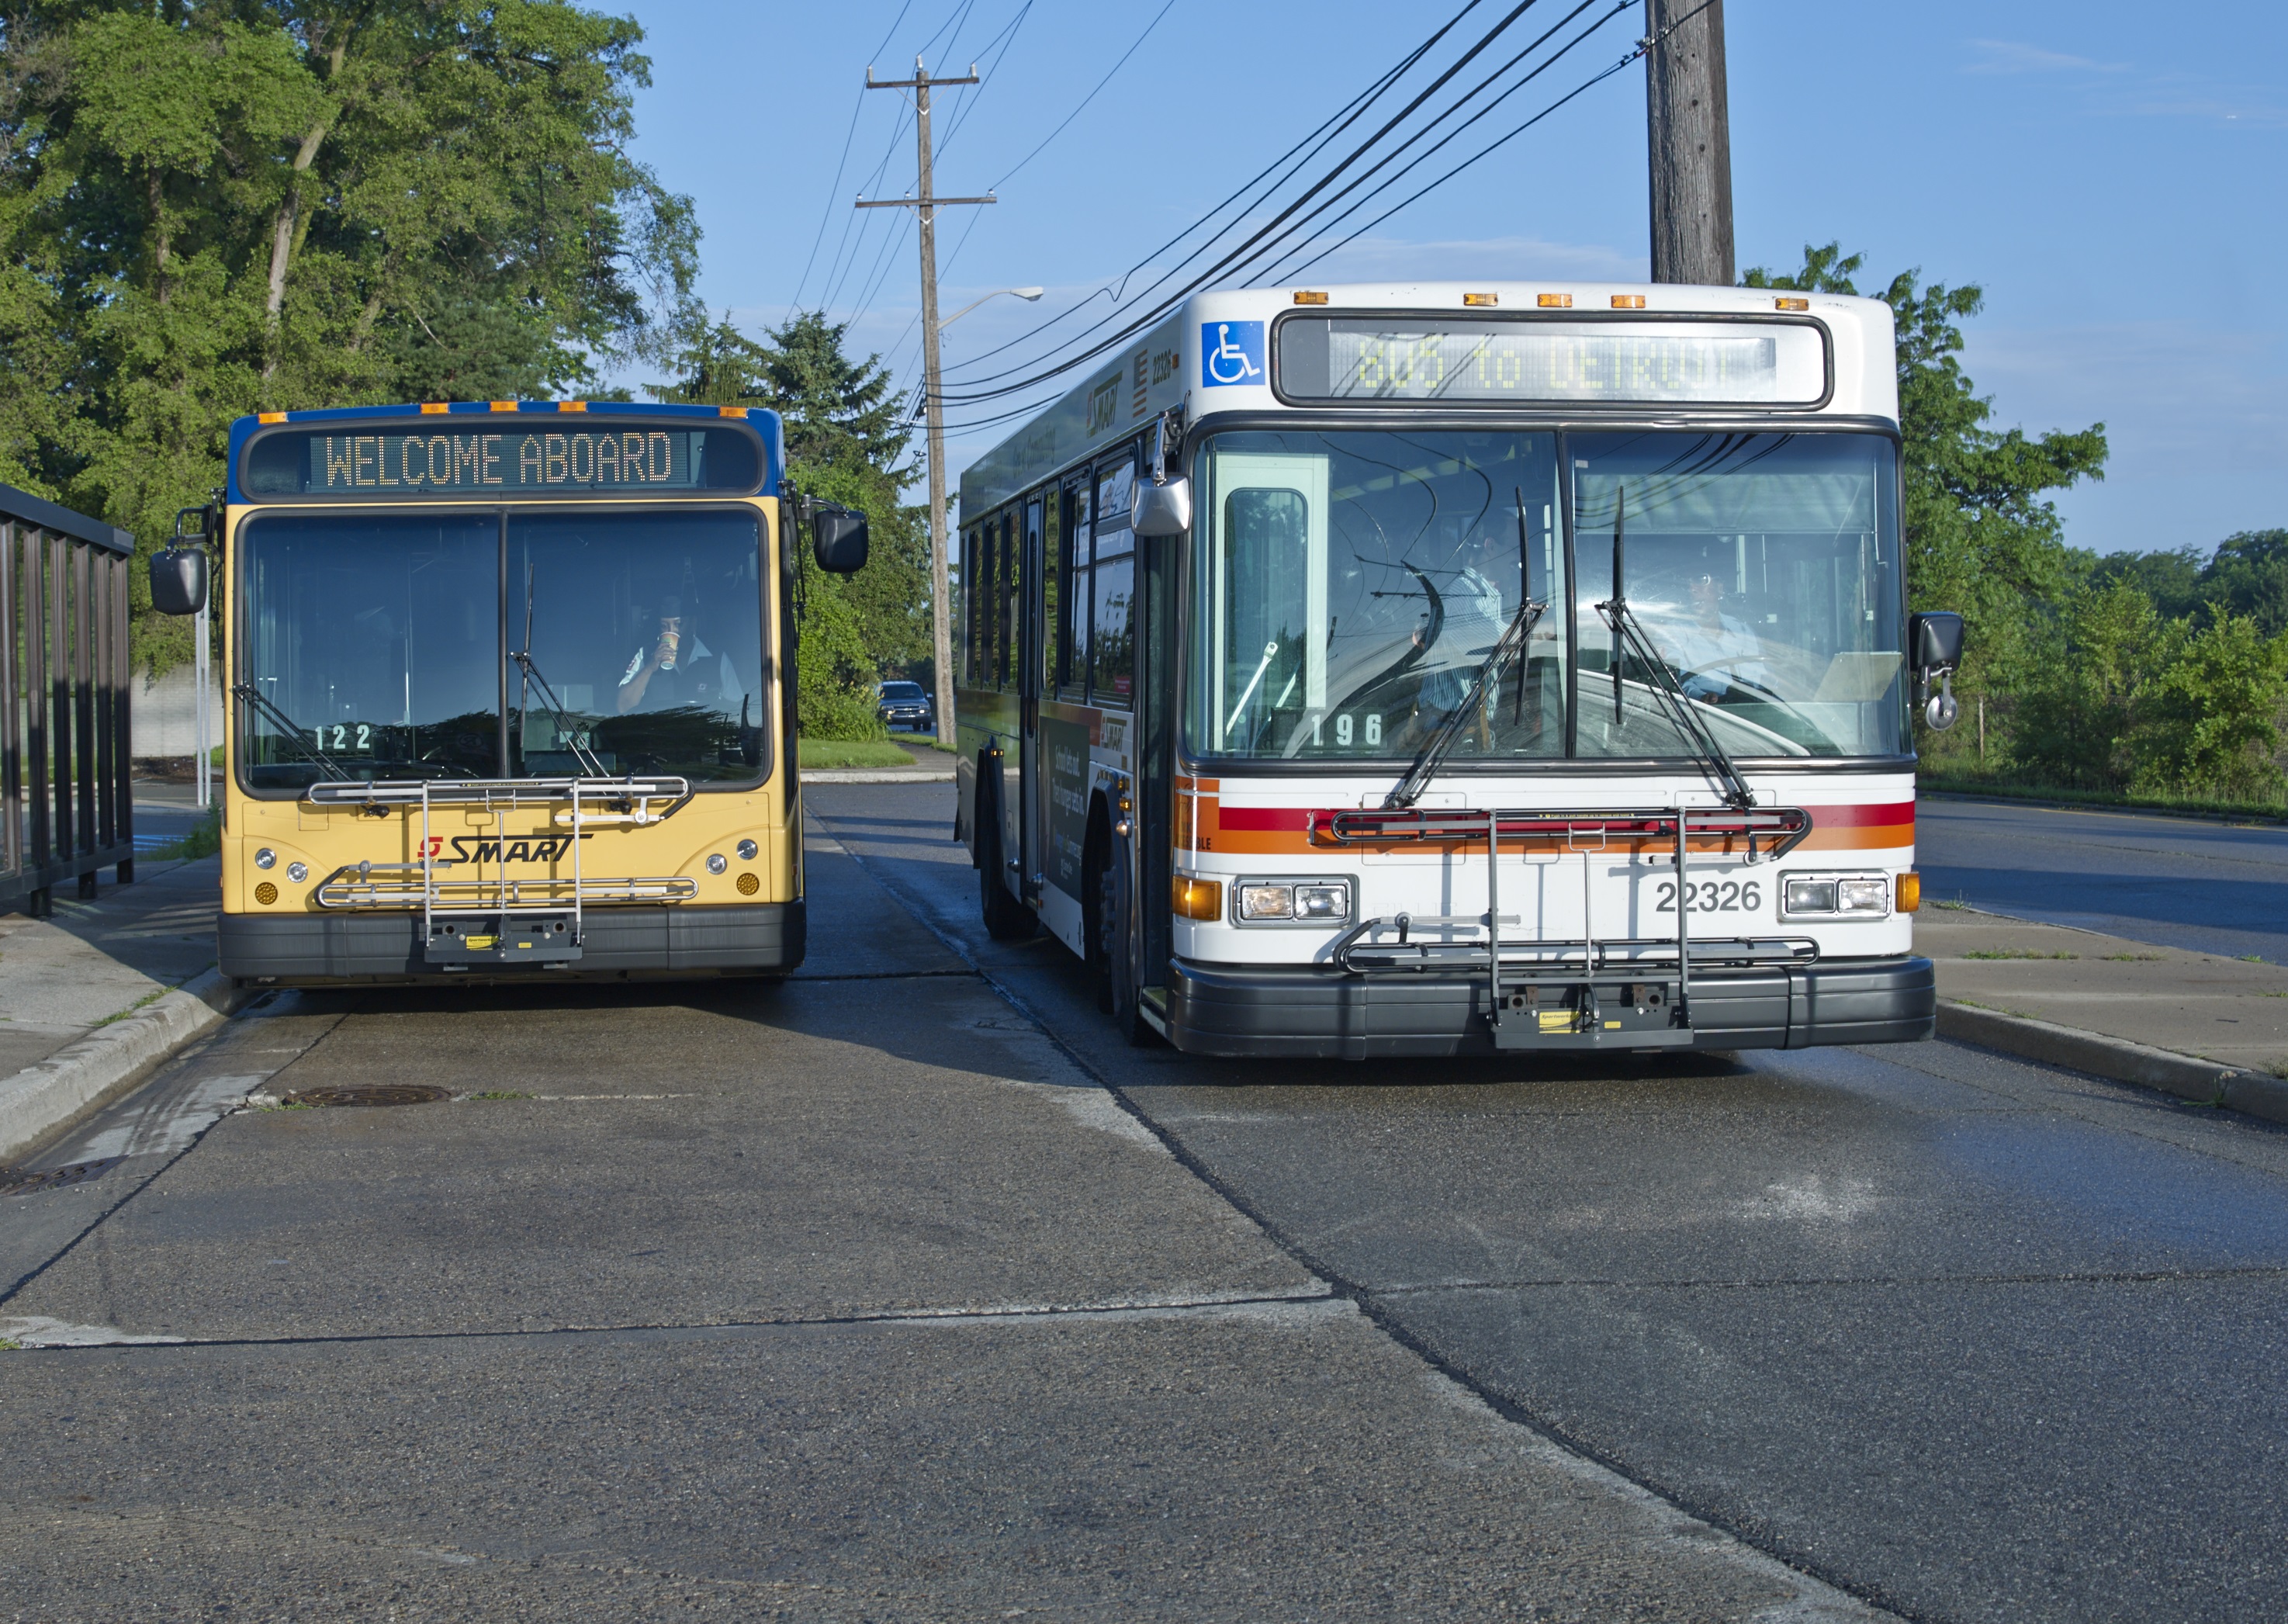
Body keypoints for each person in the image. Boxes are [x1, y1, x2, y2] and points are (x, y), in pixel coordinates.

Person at [616, 595, 744, 715]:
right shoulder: (645, 654)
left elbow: (738, 708)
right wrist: (650, 668)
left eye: (678, 625)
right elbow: (623, 706)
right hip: (658, 734)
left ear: (693, 624)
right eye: (664, 626)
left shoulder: (716, 658)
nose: (671, 632)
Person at [1656, 567, 1764, 701]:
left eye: (1700, 580)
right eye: (1686, 583)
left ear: (1719, 587)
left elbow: (1762, 681)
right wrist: (1702, 698)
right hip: (1699, 715)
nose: (1692, 589)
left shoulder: (1742, 631)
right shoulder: (1672, 633)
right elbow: (1675, 682)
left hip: (1746, 715)